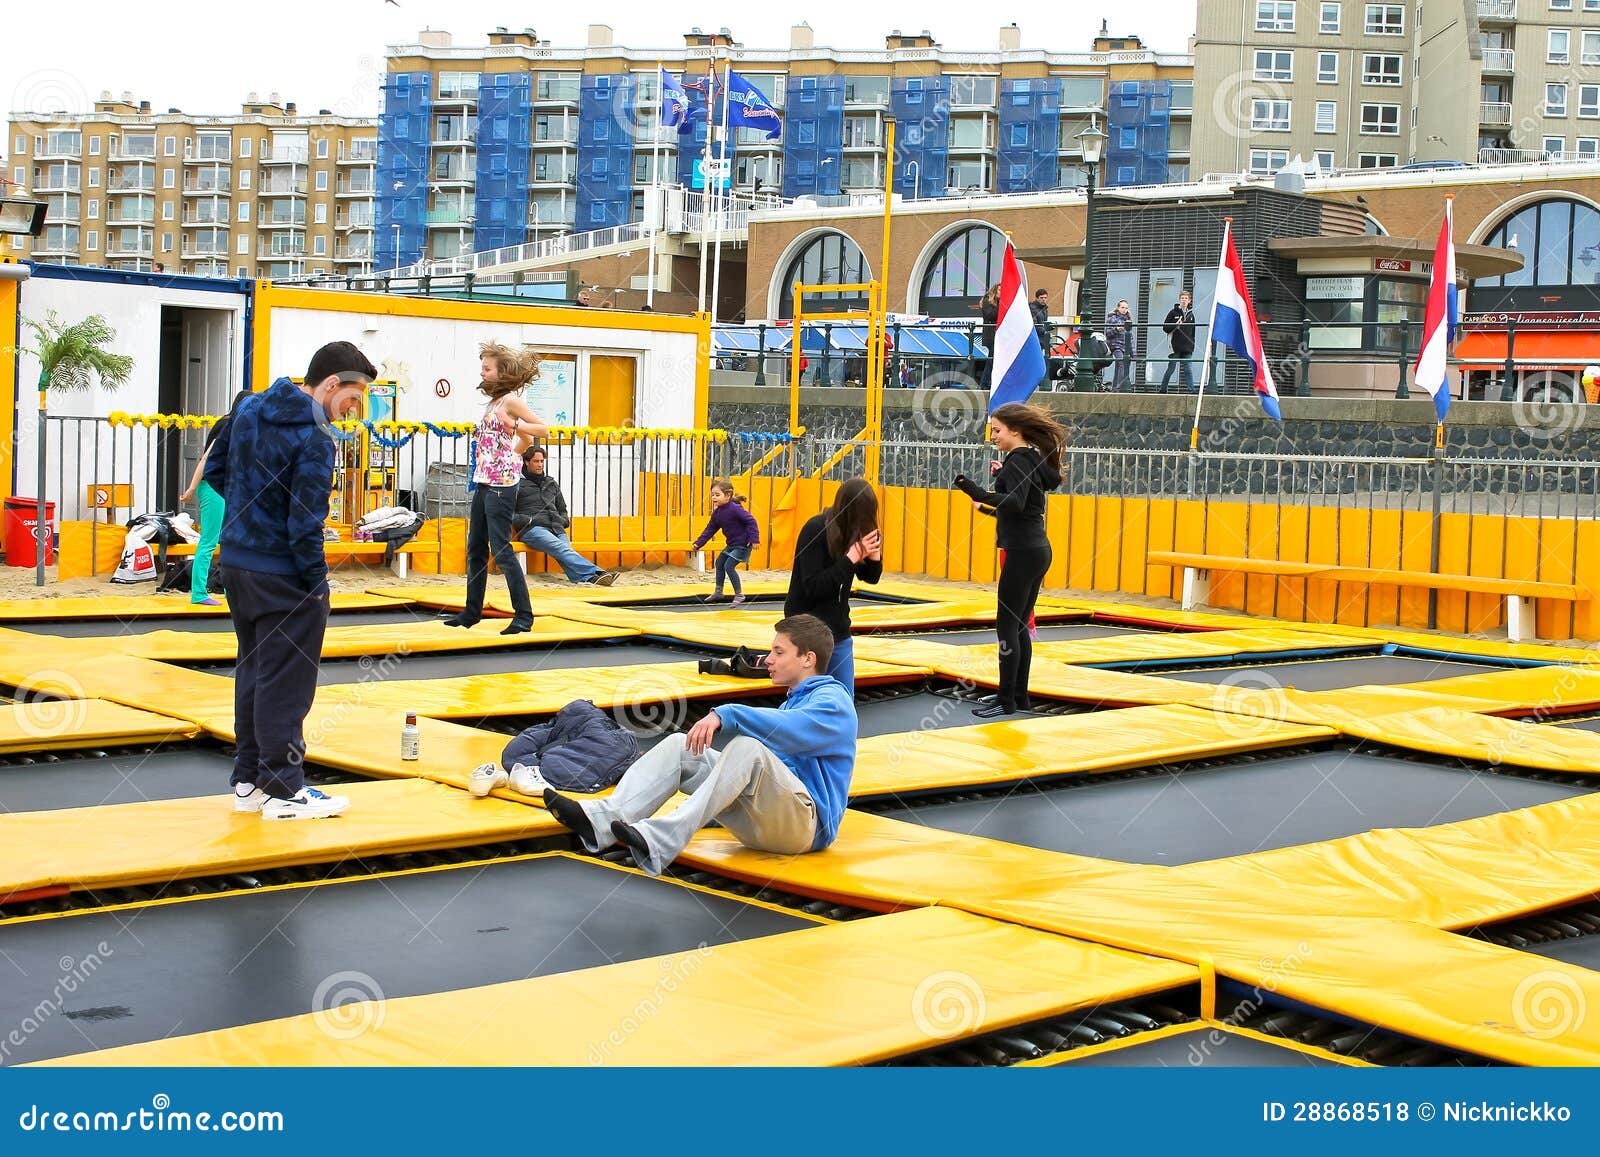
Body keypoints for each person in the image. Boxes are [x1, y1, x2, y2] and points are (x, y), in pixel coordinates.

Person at [542, 614, 856, 877]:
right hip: (768, 822)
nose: (767, 659)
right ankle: (600, 822)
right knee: (682, 747)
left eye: (778, 652)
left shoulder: (834, 702)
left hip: (806, 829)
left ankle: (660, 839)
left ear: (808, 659)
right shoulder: (796, 700)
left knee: (748, 748)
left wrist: (727, 713)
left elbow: (791, 730)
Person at [204, 342, 375, 820]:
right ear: (332, 384)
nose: (353, 411)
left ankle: (248, 783)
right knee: (287, 683)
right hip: (284, 573)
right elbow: (305, 521)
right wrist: (317, 580)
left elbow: (215, 471)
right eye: (353, 399)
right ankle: (282, 789)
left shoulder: (250, 407)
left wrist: (250, 511)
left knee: (255, 672)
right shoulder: (317, 437)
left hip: (238, 563)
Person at [953, 401, 1064, 718]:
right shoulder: (1029, 459)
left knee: (1007, 628)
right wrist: (993, 495)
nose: (993, 436)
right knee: (1018, 628)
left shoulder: (1018, 460)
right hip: (1037, 549)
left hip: (1022, 553)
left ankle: (1007, 698)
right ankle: (1018, 696)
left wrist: (975, 491)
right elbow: (1024, 503)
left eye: (997, 430)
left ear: (1016, 431)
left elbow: (1014, 503)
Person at [443, 342, 550, 635]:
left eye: (487, 368)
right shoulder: (494, 403)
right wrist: (515, 452)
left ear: (501, 372)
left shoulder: (511, 402)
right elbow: (522, 445)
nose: (482, 372)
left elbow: (542, 430)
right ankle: (471, 611)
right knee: (475, 547)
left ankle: (523, 616)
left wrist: (515, 432)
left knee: (500, 549)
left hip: (502, 484)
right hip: (484, 479)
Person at [784, 477, 882, 695]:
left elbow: (871, 577)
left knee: (844, 697)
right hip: (806, 627)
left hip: (837, 630)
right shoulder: (816, 528)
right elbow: (813, 587)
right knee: (805, 695)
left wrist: (874, 558)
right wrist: (850, 559)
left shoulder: (857, 532)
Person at [178, 390, 248, 606]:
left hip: (223, 488)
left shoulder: (236, 426)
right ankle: (199, 593)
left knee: (228, 541)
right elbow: (206, 458)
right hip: (212, 487)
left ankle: (229, 590)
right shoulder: (228, 424)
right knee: (209, 541)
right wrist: (191, 488)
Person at [512, 446, 617, 586]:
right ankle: (598, 572)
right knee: (562, 549)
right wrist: (528, 520)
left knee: (564, 552)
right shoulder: (516, 484)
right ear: (526, 462)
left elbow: (563, 509)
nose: (540, 465)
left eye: (542, 461)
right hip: (533, 529)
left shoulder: (551, 483)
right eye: (536, 461)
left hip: (556, 527)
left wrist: (563, 521)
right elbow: (508, 514)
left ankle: (589, 578)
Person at [691, 479, 760, 605]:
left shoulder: (735, 509)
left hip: (743, 544)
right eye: (712, 495)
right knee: (719, 563)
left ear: (728, 495)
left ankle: (739, 594)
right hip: (732, 545)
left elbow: (751, 521)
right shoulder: (717, 513)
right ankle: (719, 591)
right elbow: (710, 529)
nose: (713, 497)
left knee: (729, 566)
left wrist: (754, 539)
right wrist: (699, 543)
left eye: (717, 495)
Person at [1161, 290, 1197, 393]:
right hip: (1175, 346)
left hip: (1187, 347)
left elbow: (1193, 331)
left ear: (1189, 301)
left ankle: (1192, 390)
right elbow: (1165, 328)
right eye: (1182, 298)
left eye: (1186, 298)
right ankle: (1163, 389)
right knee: (1171, 369)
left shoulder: (1191, 315)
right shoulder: (1173, 313)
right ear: (1179, 300)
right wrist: (1175, 324)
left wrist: (1192, 345)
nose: (1184, 300)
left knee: (1188, 369)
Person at [1105, 299, 1136, 390]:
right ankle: (1119, 388)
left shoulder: (1128, 320)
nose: (1124, 309)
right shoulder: (1112, 318)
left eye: (1126, 308)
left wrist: (1133, 353)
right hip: (1115, 345)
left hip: (1124, 346)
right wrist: (1117, 329)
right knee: (1122, 363)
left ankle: (1115, 388)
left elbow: (1131, 338)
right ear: (1118, 308)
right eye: (1122, 307)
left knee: (1119, 366)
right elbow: (1107, 333)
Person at [977, 285, 1000, 387]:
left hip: (999, 335)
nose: (1002, 292)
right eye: (1000, 290)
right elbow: (990, 315)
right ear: (995, 291)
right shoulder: (987, 301)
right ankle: (985, 383)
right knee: (992, 359)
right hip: (991, 335)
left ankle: (989, 382)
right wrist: (1001, 303)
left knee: (996, 360)